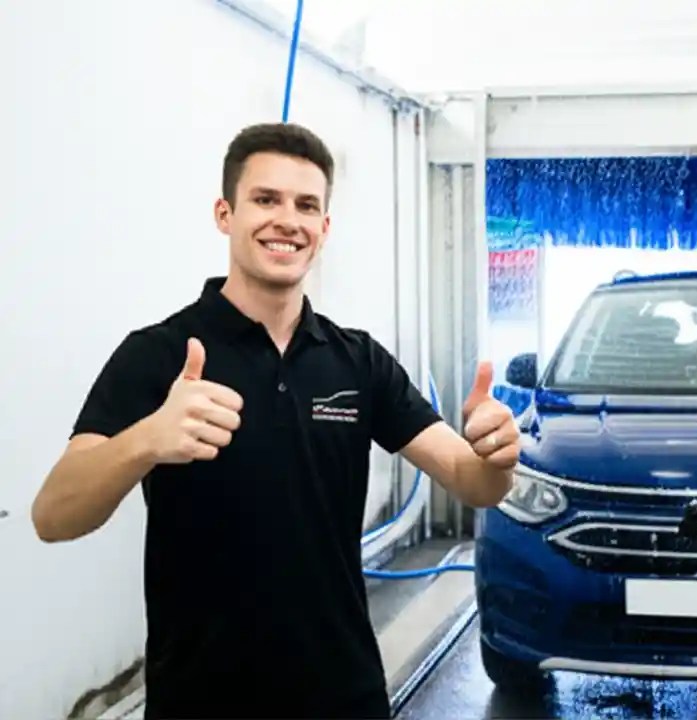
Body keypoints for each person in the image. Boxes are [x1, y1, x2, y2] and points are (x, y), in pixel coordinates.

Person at [30, 122, 518, 719]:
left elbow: (470, 482)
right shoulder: (157, 354)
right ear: (224, 213)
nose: (287, 220)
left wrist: (495, 456)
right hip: (200, 703)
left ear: (324, 228)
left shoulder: (358, 360)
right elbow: (53, 516)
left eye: (306, 205)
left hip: (344, 700)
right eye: (265, 199)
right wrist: (146, 439)